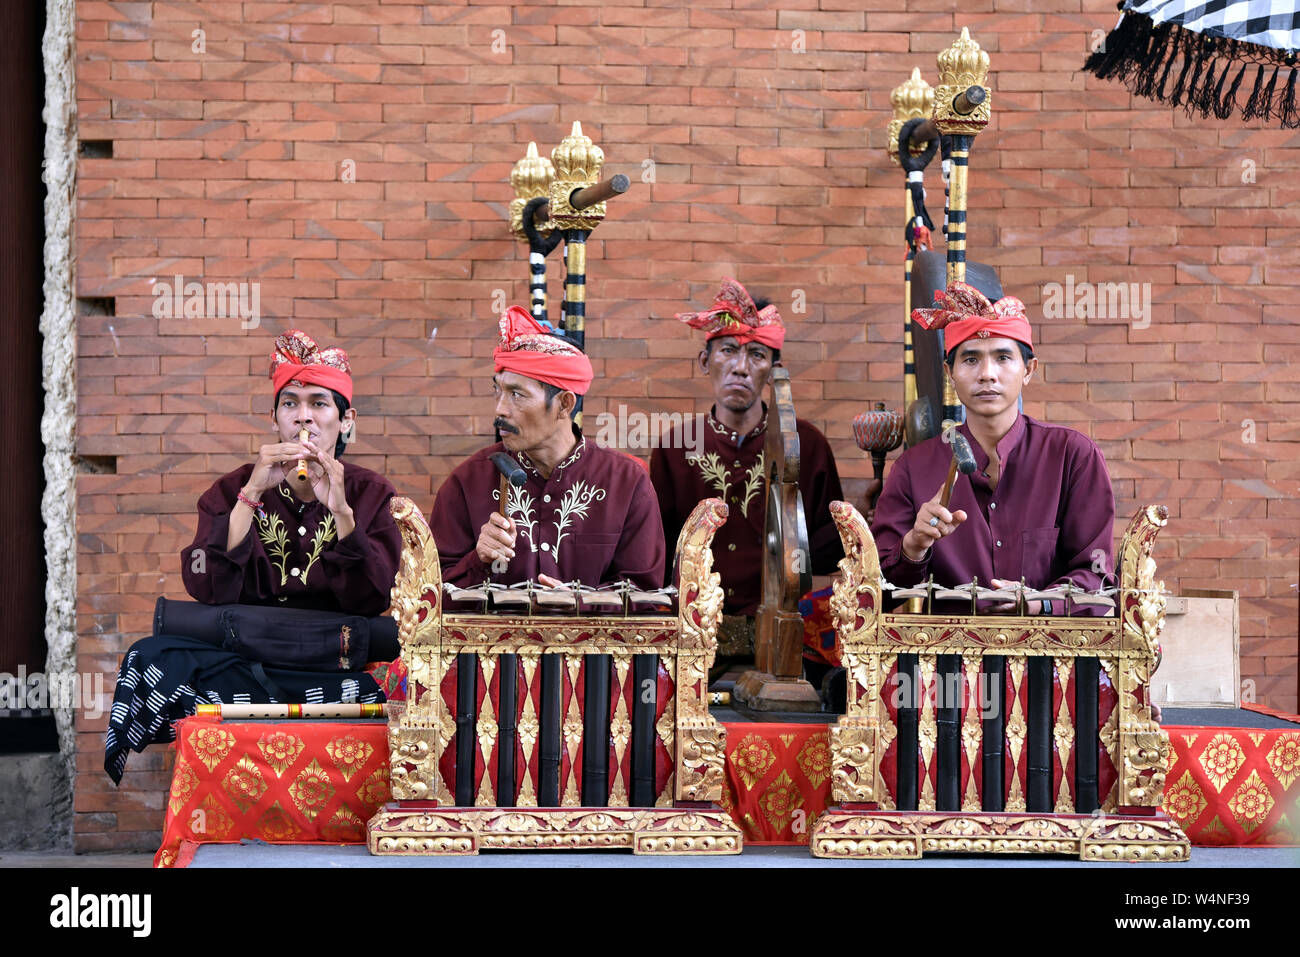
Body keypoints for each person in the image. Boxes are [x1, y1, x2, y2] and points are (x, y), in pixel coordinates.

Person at [105, 330, 402, 784]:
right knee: (150, 656)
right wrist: (251, 496)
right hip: (248, 661)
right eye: (290, 404)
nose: (304, 418)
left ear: (346, 421)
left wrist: (341, 509)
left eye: (319, 403)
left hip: (334, 661)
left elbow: (376, 596)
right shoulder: (232, 488)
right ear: (273, 418)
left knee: (412, 673)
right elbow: (203, 580)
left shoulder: (372, 494)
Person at [872, 281, 1115, 615]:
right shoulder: (914, 468)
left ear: (1028, 370)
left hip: (1048, 657)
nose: (987, 374)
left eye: (1003, 358)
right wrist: (914, 545)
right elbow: (876, 593)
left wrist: (1040, 602)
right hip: (948, 660)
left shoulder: (1073, 456)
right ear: (950, 373)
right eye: (970, 359)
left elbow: (1097, 579)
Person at [649, 278, 843, 671]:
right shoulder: (675, 447)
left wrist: (862, 527)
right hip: (694, 639)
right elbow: (657, 555)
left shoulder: (807, 445)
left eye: (757, 355)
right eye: (727, 351)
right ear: (705, 361)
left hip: (787, 647)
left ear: (774, 370)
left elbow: (827, 555)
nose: (740, 367)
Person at [430, 305, 664, 590]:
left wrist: (582, 607)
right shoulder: (468, 483)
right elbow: (430, 595)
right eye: (498, 391)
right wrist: (478, 561)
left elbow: (645, 593)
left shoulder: (626, 484)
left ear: (564, 404)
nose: (500, 410)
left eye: (517, 395)